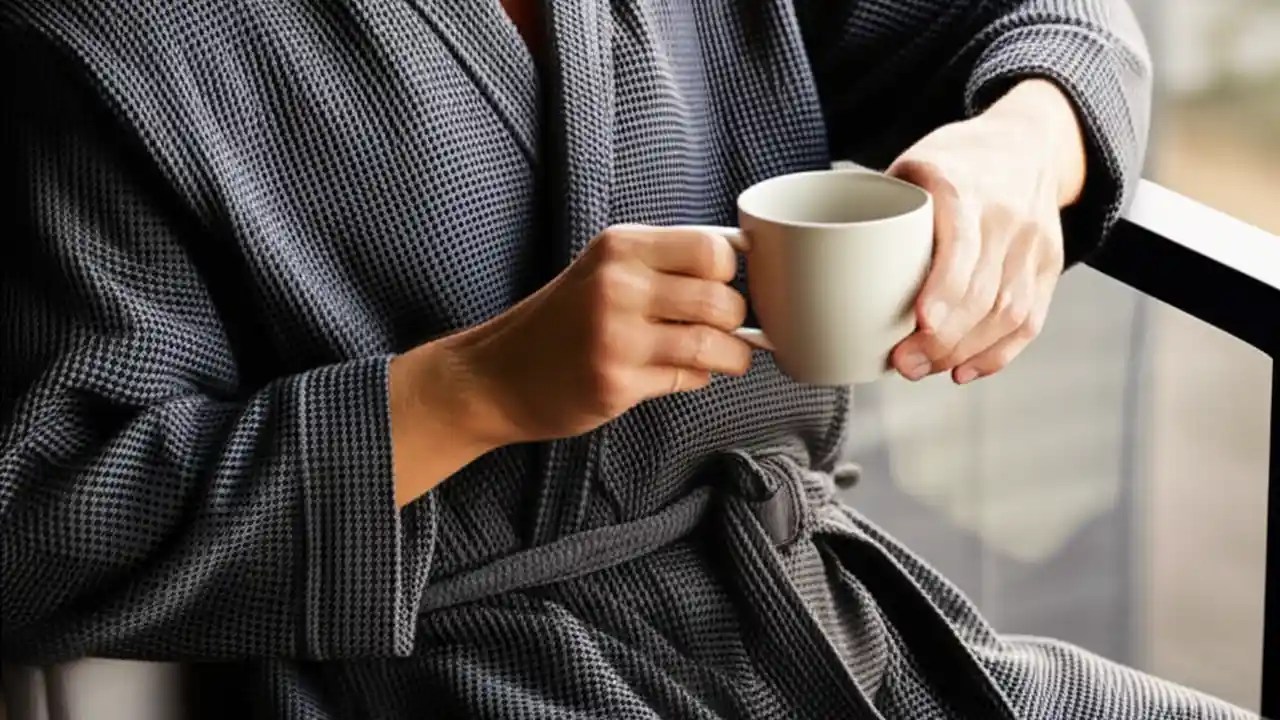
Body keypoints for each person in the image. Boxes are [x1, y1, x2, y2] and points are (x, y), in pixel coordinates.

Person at [0, 0, 1255, 718]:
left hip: (812, 617)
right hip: (444, 687)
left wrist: (1025, 146)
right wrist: (467, 391)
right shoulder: (106, 38)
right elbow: (44, 522)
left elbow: (1052, 21)